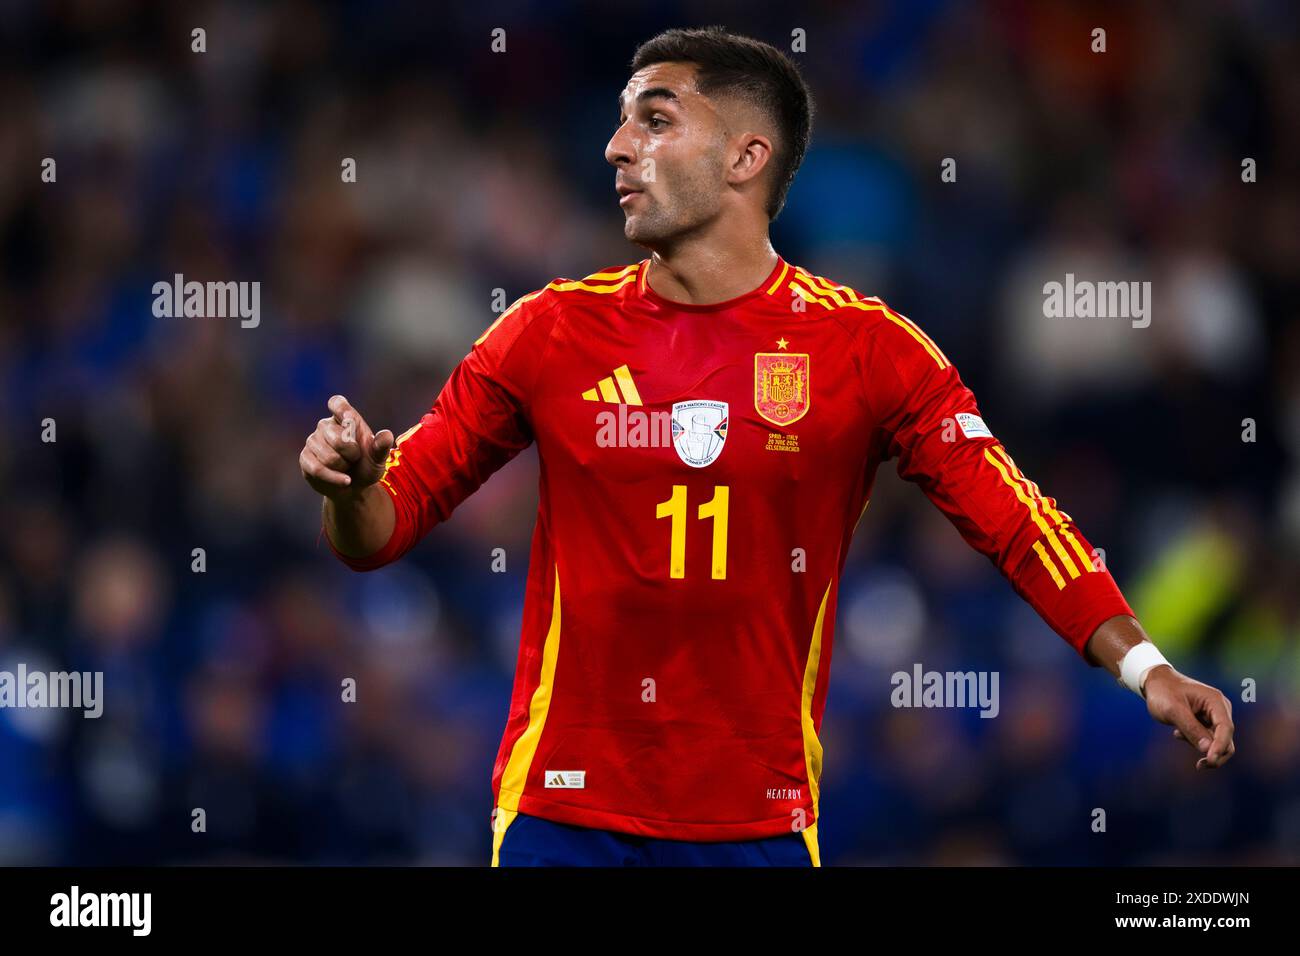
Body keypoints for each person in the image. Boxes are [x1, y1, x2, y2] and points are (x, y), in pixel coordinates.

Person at [299, 26, 1235, 867]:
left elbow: (1016, 521)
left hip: (756, 826)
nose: (619, 147)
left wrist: (1146, 668)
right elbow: (382, 529)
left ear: (747, 155)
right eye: (623, 122)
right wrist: (349, 487)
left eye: (656, 120)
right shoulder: (546, 332)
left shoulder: (867, 350)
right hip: (560, 815)